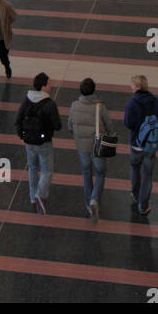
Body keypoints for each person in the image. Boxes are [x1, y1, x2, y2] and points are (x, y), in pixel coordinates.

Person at [15, 71, 61, 215]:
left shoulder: (26, 99)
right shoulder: (49, 103)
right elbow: (57, 125)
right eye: (49, 84)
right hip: (44, 142)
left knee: (33, 168)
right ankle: (40, 195)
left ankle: (32, 197)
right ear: (43, 86)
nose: (51, 86)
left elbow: (18, 119)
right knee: (47, 171)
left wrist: (21, 136)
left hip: (28, 141)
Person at [68, 77, 113, 221]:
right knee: (100, 172)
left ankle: (89, 204)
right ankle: (95, 199)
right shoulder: (100, 106)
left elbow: (70, 126)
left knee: (86, 173)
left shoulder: (74, 105)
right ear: (94, 90)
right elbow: (109, 126)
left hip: (82, 147)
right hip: (97, 146)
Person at [124, 74, 158, 218]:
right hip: (150, 145)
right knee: (147, 175)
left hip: (136, 144)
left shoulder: (131, 104)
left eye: (132, 85)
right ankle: (143, 205)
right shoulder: (156, 101)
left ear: (136, 87)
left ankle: (135, 194)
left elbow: (128, 124)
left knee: (135, 168)